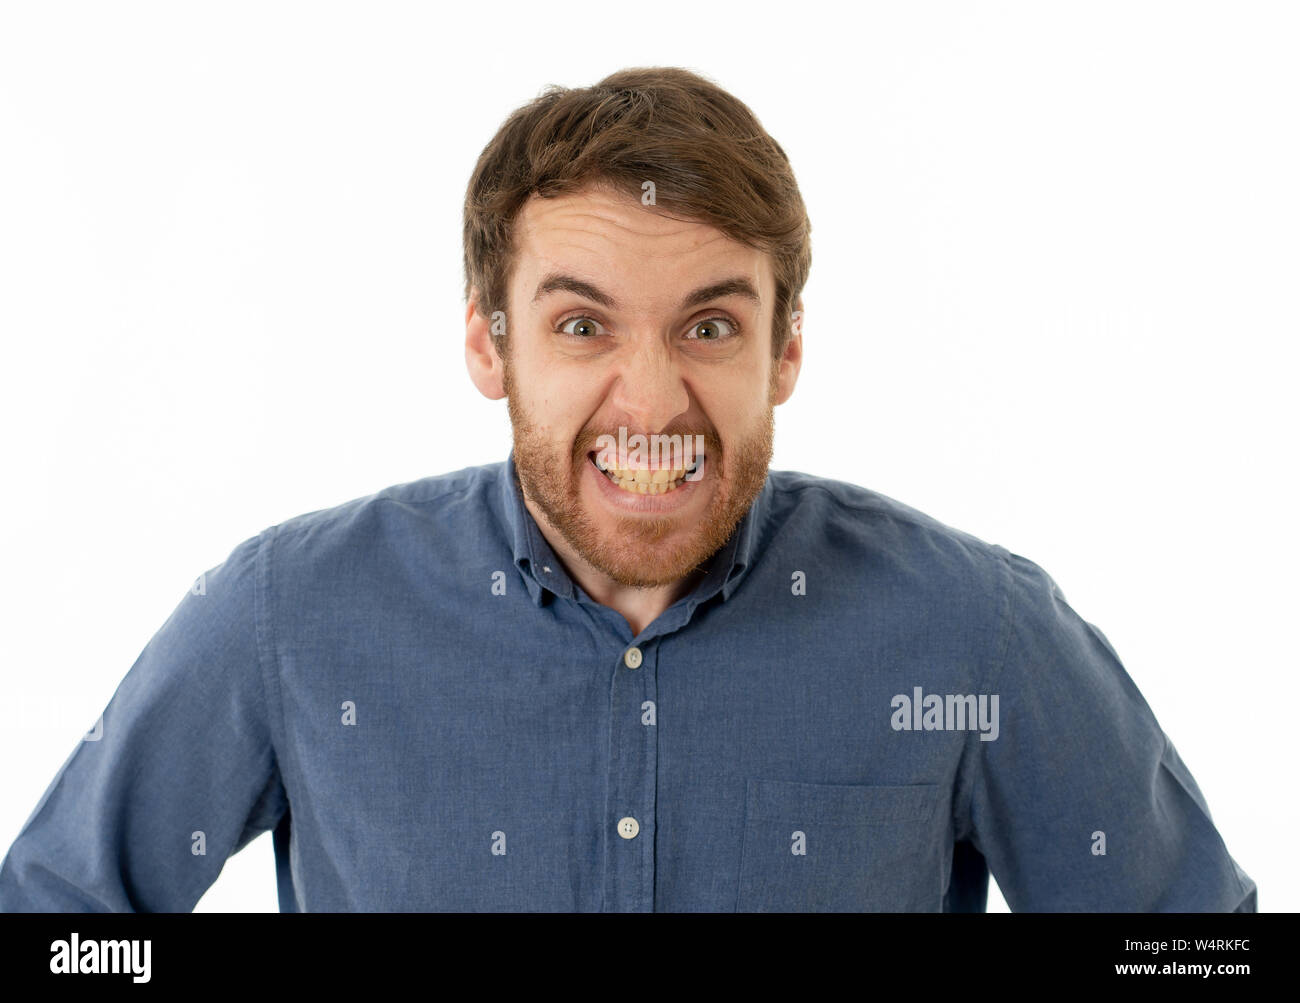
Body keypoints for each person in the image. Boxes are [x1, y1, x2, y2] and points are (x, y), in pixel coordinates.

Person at [0, 66, 1256, 912]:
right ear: (491, 344)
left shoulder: (973, 629)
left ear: (786, 349)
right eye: (584, 327)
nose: (649, 404)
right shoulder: (290, 614)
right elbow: (57, 920)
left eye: (708, 328)